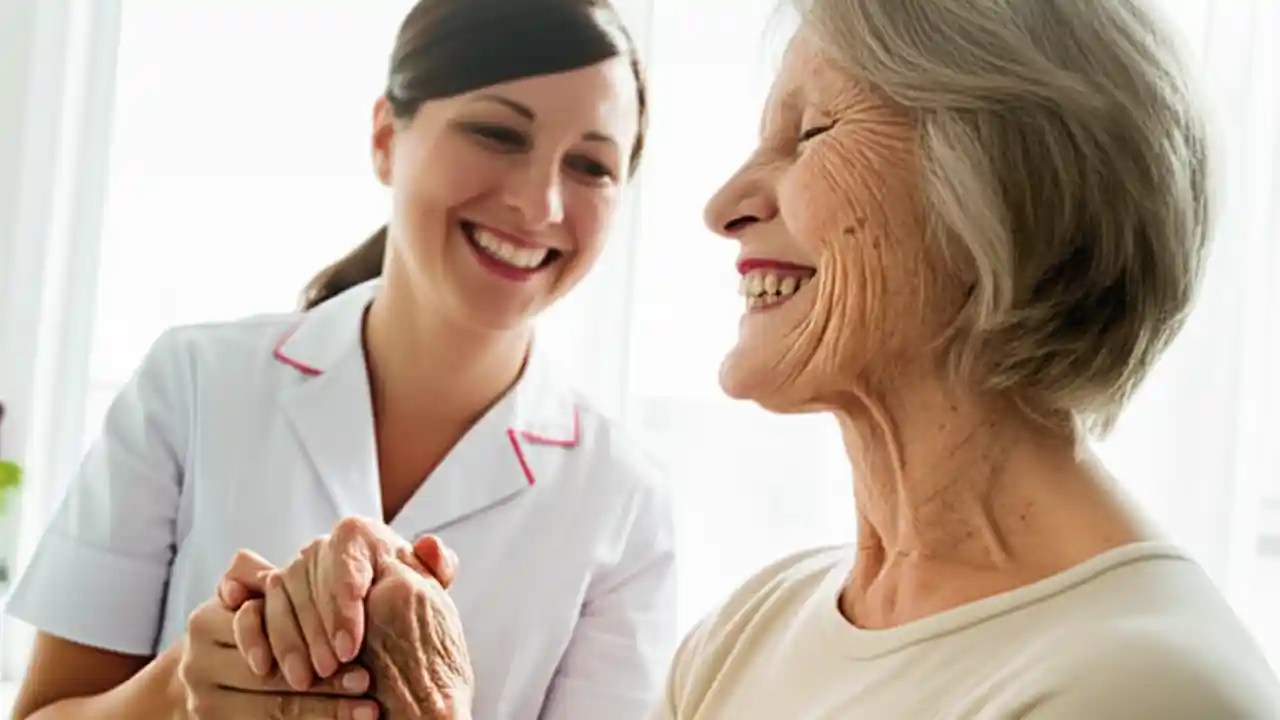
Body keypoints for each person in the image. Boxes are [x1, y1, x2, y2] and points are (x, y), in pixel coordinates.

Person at [241, 0, 1280, 717]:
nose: (725, 203)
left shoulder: (1142, 689)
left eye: (811, 130)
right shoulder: (753, 627)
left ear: (1010, 189)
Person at [5, 1, 675, 718]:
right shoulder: (194, 384)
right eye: (498, 134)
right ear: (386, 138)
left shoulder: (623, 500)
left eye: (591, 167)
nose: (540, 204)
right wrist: (178, 690)